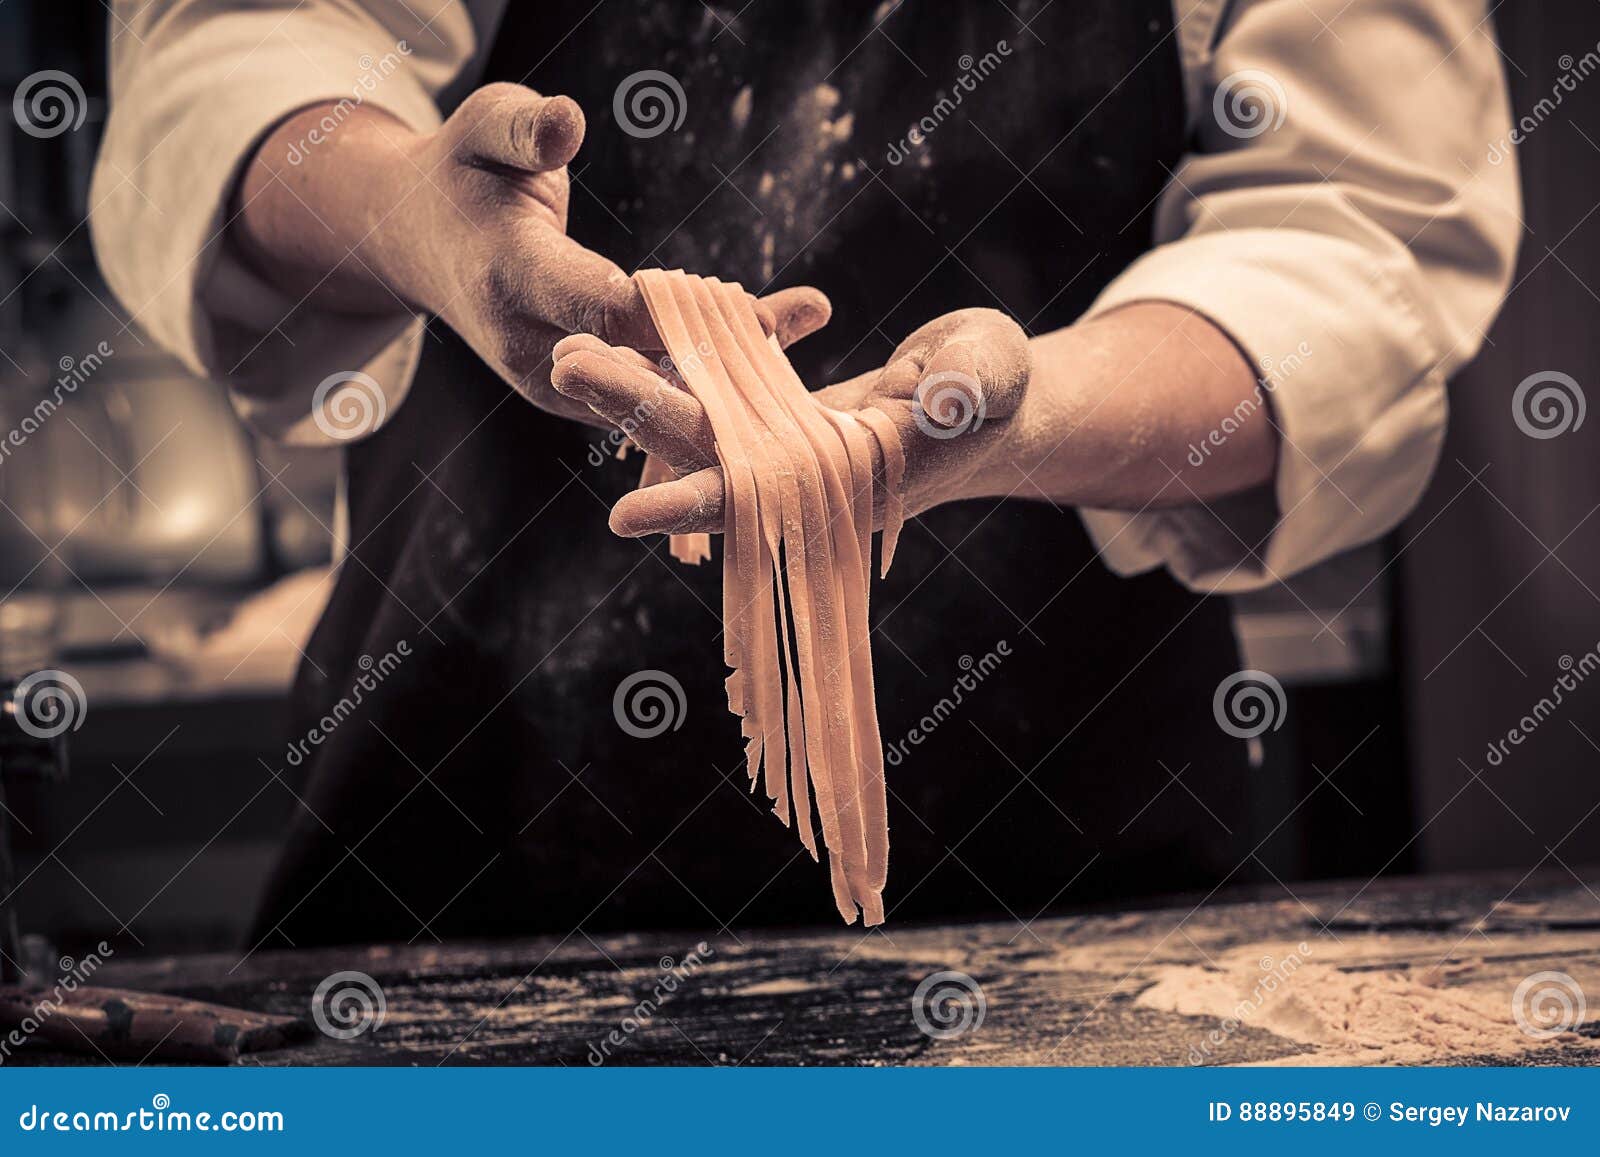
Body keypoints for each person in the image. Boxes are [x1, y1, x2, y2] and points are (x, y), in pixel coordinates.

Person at [90, 1, 1518, 948]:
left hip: (1075, 860)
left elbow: (1354, 232)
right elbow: (234, 50)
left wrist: (1014, 417)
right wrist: (419, 214)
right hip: (459, 840)